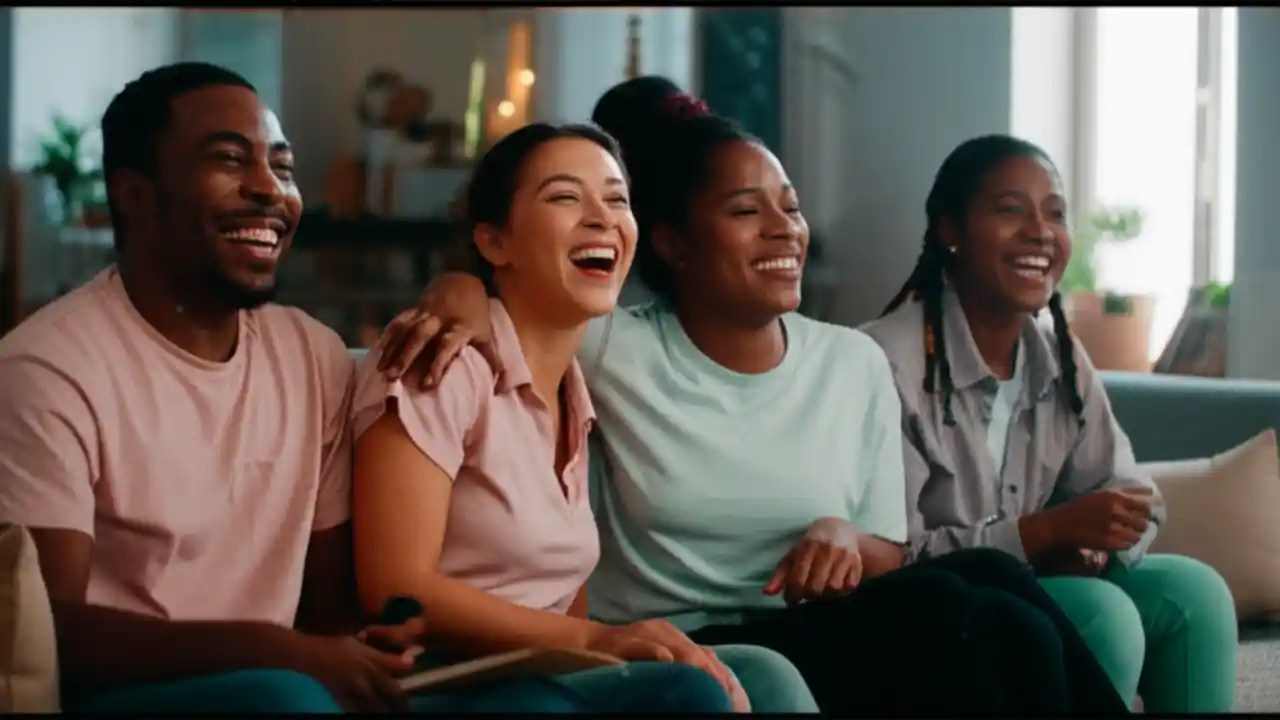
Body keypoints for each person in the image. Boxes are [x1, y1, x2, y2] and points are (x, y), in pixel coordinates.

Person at [377, 77, 1130, 716]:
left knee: (993, 585)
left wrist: (844, 539)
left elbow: (893, 550)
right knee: (963, 614)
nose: (783, 230)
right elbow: (527, 302)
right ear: (671, 241)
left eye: (791, 208)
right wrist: (460, 288)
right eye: (745, 212)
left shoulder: (852, 362)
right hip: (687, 632)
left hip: (812, 620)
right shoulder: (607, 345)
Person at [0, 62, 725, 715]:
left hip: (303, 680)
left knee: (682, 691)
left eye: (282, 166)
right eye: (229, 160)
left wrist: (462, 288)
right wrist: (277, 651)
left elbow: (338, 606)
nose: (269, 188)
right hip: (148, 696)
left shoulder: (309, 356)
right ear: (133, 196)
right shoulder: (48, 368)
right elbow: (45, 629)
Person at [350, 121, 816, 714]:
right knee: (682, 691)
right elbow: (396, 588)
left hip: (538, 675)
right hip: (435, 685)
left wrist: (596, 645)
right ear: (494, 241)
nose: (602, 218)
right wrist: (596, 640)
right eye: (566, 197)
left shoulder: (576, 391)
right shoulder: (441, 357)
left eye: (617, 200)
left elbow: (562, 598)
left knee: (763, 674)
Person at [859, 133, 1238, 712]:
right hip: (937, 609)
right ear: (950, 230)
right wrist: (1043, 535)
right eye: (1010, 210)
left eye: (1056, 214)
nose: (1041, 232)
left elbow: (1130, 491)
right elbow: (885, 558)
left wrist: (1093, 548)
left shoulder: (1059, 357)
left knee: (1195, 593)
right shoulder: (882, 362)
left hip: (1031, 580)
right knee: (1103, 614)